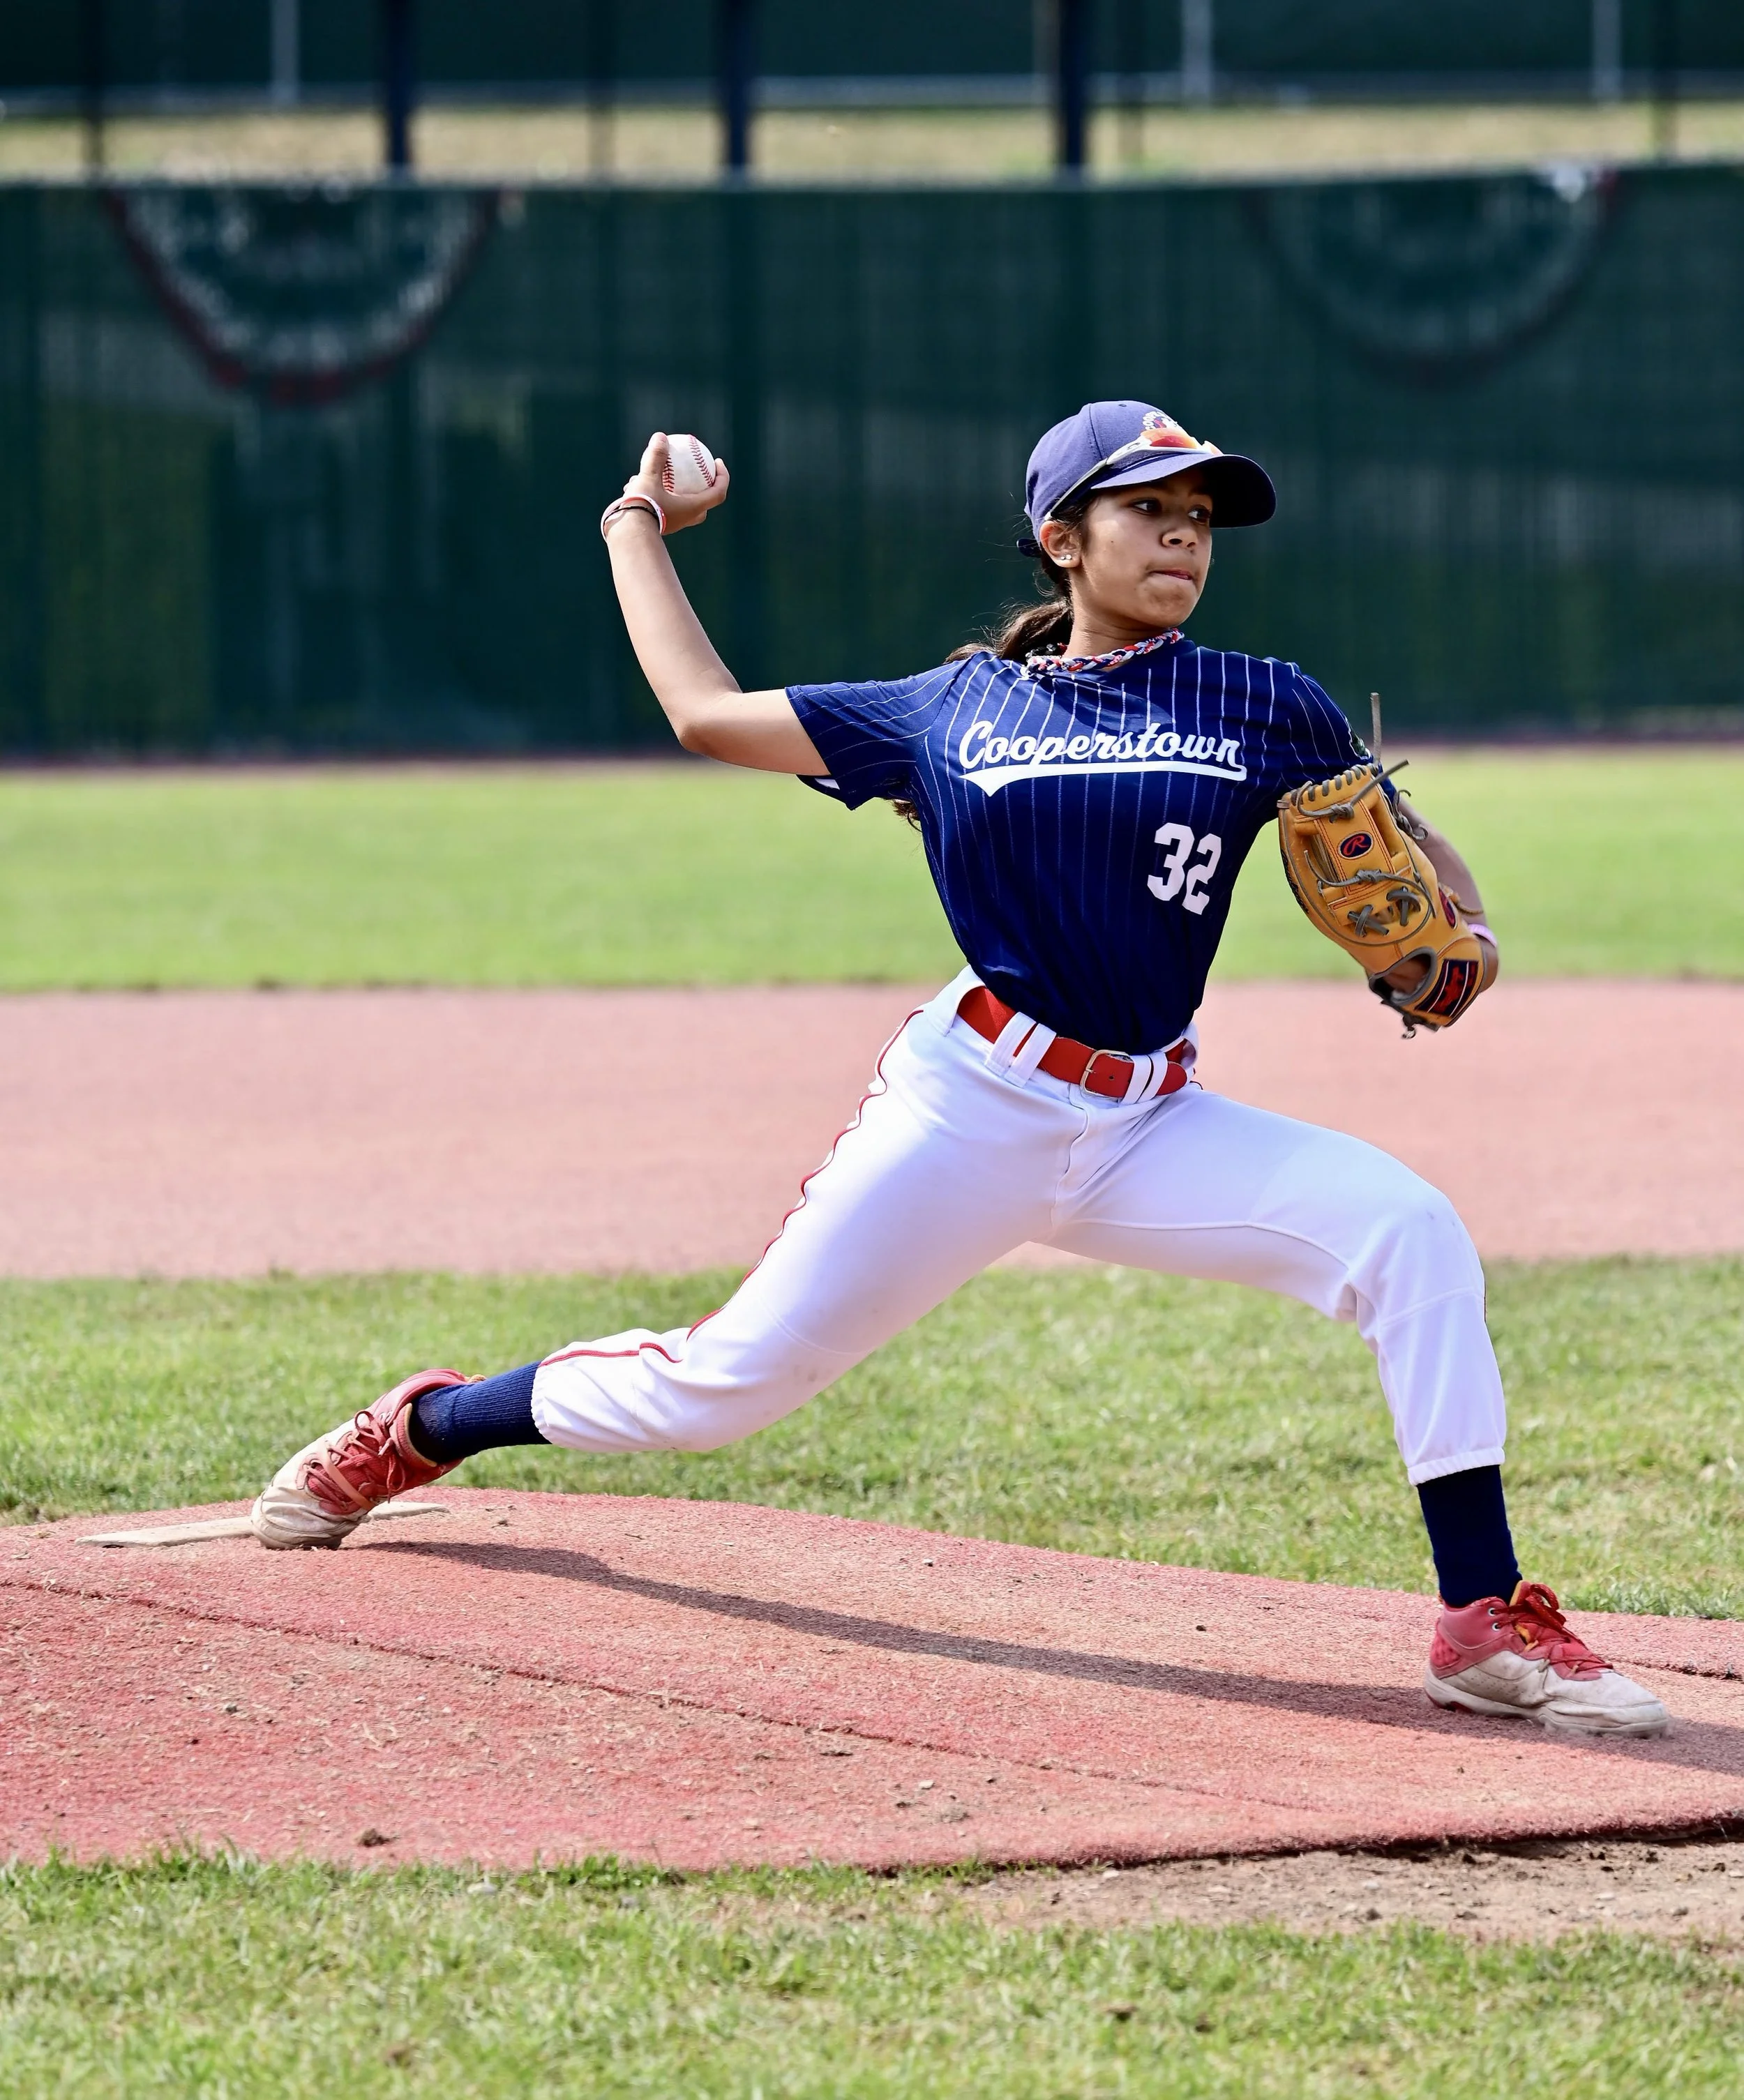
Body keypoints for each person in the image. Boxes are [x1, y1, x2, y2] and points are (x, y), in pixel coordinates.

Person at [250, 401, 1667, 1739]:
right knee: (715, 1389)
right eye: (1146, 510)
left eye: (1199, 516)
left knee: (1406, 1228)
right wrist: (633, 521)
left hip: (1143, 1121)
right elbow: (702, 710)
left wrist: (1459, 926)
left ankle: (1482, 1620)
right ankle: (426, 1422)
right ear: (1061, 536)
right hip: (967, 1109)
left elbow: (1399, 841)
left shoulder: (1263, 700)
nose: (1182, 536)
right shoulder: (950, 710)